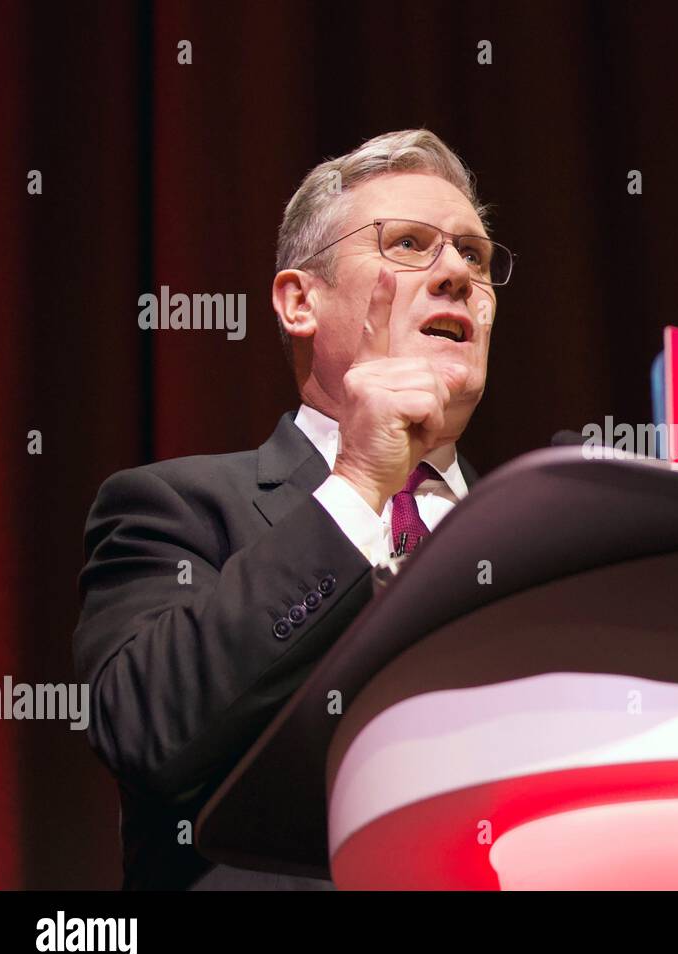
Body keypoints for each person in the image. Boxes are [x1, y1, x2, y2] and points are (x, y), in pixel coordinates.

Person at [73, 129, 511, 889]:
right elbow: (150, 729)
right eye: (410, 244)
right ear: (299, 301)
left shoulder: (538, 528)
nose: (457, 274)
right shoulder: (174, 509)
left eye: (474, 254)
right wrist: (360, 482)